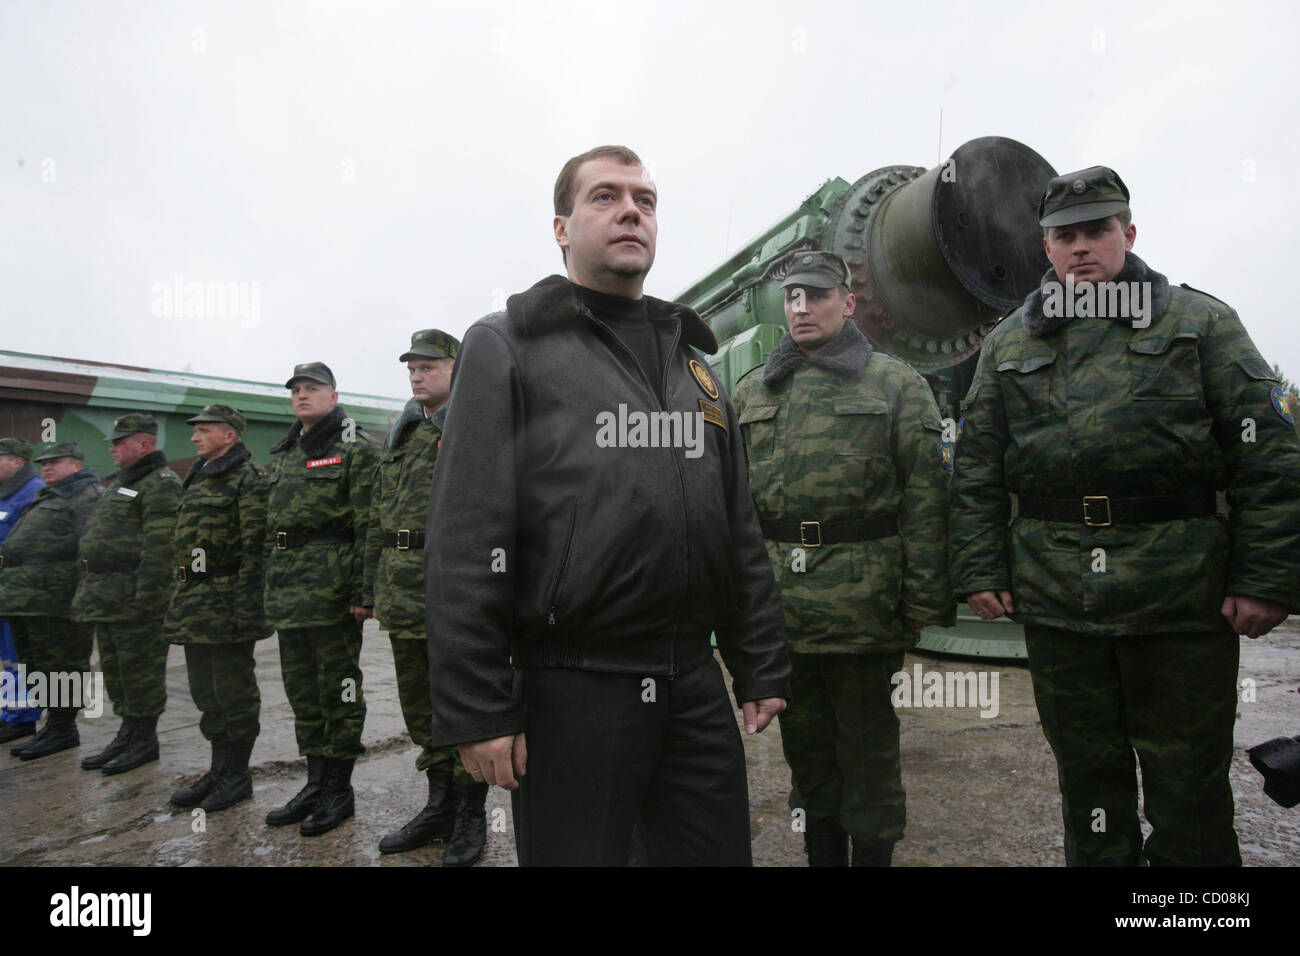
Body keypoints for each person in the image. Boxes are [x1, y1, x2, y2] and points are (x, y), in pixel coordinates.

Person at [425, 144, 791, 866]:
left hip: (691, 683)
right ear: (562, 229)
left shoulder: (693, 364)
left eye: (645, 199)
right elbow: (467, 535)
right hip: (575, 691)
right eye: (605, 197)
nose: (631, 210)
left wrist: (760, 661)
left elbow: (735, 524)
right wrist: (477, 707)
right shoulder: (509, 346)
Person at [950, 165, 1300, 866]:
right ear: (1044, 248)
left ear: (1128, 234)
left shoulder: (1199, 323)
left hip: (1179, 604)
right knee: (1089, 788)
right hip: (1060, 606)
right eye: (1064, 236)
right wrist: (980, 567)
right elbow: (977, 468)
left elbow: (1271, 456)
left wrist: (1265, 578)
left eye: (1097, 232)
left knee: (1189, 791)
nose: (1081, 248)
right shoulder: (1011, 345)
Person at [733, 250, 953, 866]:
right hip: (784, 612)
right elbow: (736, 515)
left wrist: (923, 602)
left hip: (865, 606)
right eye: (793, 297)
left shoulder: (894, 383)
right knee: (805, 752)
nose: (802, 307)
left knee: (868, 750)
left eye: (817, 295)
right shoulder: (754, 390)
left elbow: (926, 499)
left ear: (848, 303)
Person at [362, 329, 483, 863]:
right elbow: (378, 520)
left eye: (429, 366)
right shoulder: (404, 436)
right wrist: (369, 589)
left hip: (453, 592)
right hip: (402, 594)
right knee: (421, 710)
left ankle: (470, 815)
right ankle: (438, 806)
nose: (417, 374)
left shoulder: (477, 425)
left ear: (457, 367)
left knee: (461, 708)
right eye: (411, 366)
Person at [263, 362, 378, 837]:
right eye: (296, 390)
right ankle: (315, 782)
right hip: (289, 591)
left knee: (338, 691)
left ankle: (339, 789)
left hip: (332, 590)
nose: (302, 396)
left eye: (312, 389)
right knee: (303, 693)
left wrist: (364, 590)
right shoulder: (286, 451)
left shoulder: (354, 448)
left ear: (334, 396)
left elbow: (369, 523)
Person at [164, 404, 271, 813]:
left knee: (233, 692)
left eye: (204, 430)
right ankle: (218, 768)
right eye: (196, 431)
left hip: (226, 603)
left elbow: (255, 547)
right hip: (194, 603)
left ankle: (237, 775)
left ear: (230, 436)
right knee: (206, 692)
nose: (194, 437)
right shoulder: (198, 476)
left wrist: (247, 604)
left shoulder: (248, 479)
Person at [73, 413, 183, 775]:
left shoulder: (160, 484)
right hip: (107, 598)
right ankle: (127, 733)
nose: (113, 448)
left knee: (141, 672)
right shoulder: (122, 483)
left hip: (136, 601)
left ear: (144, 444)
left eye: (120, 442)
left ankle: (144, 740)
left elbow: (160, 549)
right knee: (116, 670)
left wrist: (148, 601)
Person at [0, 442, 103, 759]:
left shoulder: (86, 495)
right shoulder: (50, 493)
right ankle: (51, 726)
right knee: (39, 664)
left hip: (58, 600)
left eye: (55, 463)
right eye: (44, 463)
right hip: (31, 600)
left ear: (75, 465)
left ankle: (63, 729)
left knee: (63, 666)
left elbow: (94, 546)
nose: (47, 468)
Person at [0, 438, 46, 743]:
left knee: (19, 656)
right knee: (5, 657)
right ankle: (8, 712)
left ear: (17, 462)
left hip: (19, 590)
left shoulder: (33, 493)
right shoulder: (5, 494)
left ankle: (22, 718)